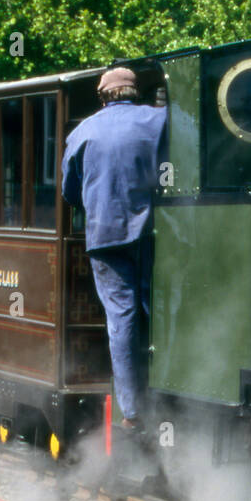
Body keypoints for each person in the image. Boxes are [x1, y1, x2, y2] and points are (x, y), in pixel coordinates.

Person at [61, 67, 167, 430]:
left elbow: (69, 194)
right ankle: (169, 391)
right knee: (160, 311)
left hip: (105, 237)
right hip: (154, 233)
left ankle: (132, 412)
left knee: (121, 320)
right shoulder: (158, 121)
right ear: (134, 92)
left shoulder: (81, 133)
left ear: (103, 96)